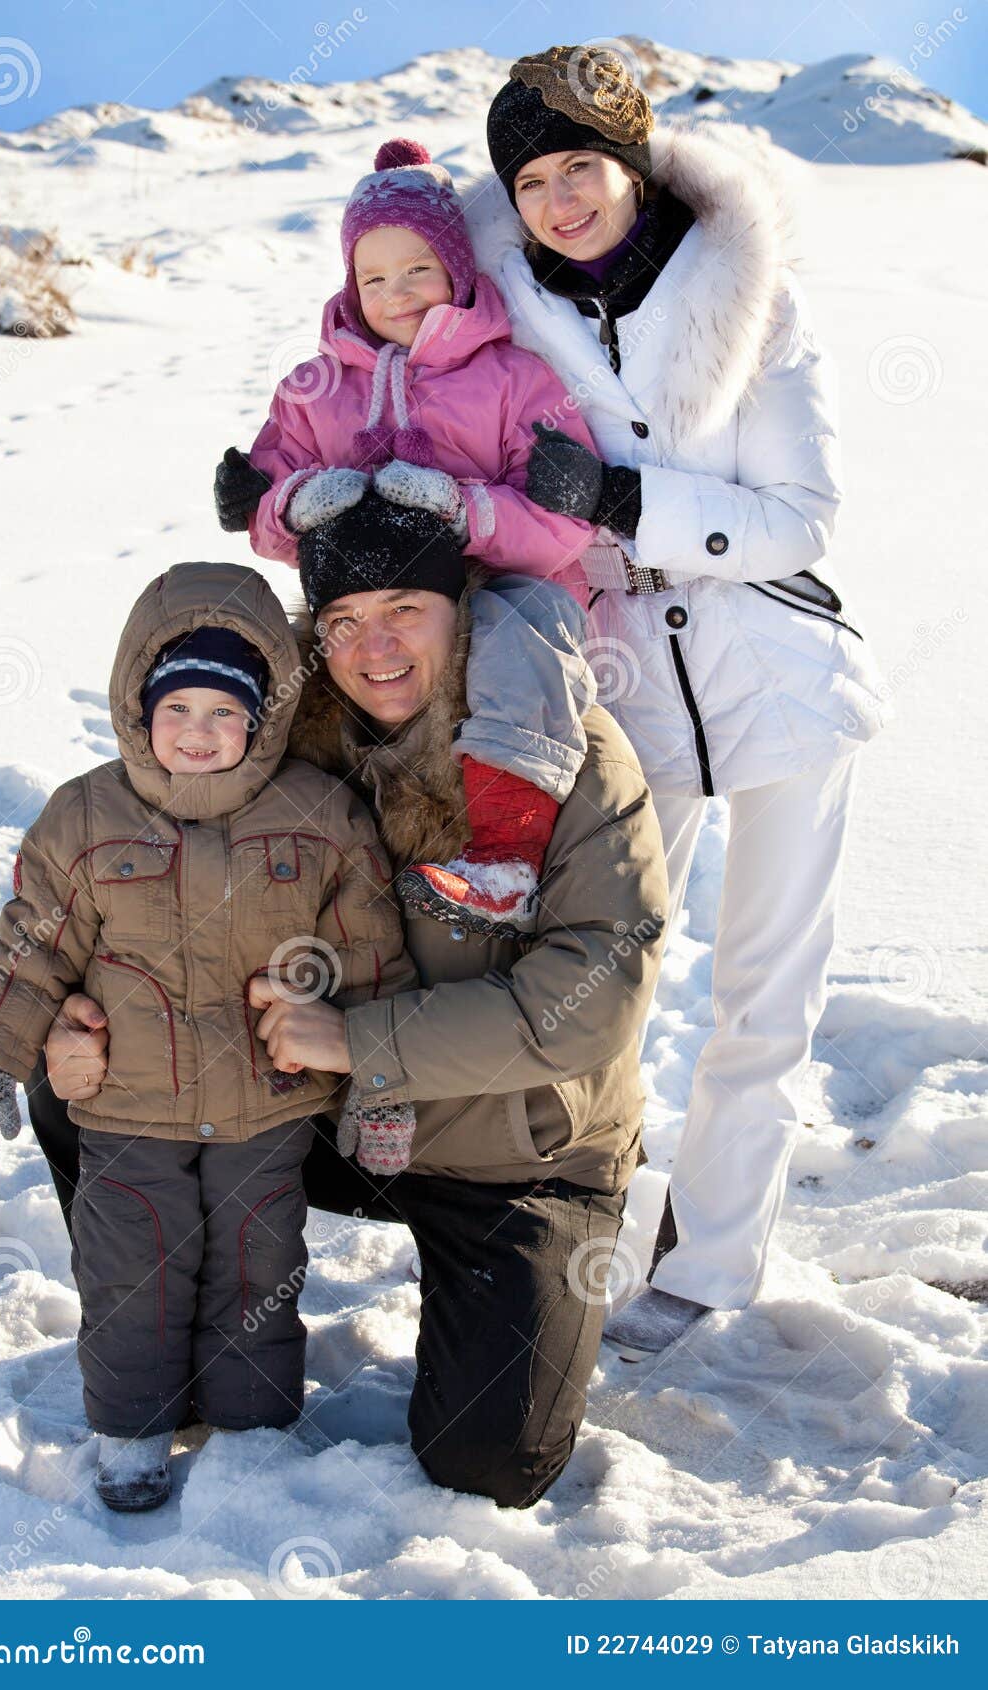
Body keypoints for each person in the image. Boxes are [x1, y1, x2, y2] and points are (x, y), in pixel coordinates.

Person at [35, 500, 670, 1509]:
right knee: (89, 1089)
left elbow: (592, 999)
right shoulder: (278, 743)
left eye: (404, 610)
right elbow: (137, 893)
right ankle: (169, 1341)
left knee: (487, 1464)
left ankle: (600, 1238)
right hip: (328, 1118)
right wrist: (77, 1019)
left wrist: (360, 1038)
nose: (374, 648)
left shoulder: (560, 752)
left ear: (460, 607)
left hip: (512, 1153)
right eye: (343, 621)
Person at [460, 44, 887, 1356]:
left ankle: (709, 1262)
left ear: (631, 165)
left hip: (781, 678)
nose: (558, 201)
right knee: (607, 976)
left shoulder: (751, 294)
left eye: (578, 167)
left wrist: (623, 501)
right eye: (529, 181)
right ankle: (603, 1216)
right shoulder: (504, 313)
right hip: (625, 685)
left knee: (762, 988)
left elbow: (798, 516)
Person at [0, 561, 415, 1513]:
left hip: (264, 1108)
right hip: (129, 1111)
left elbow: (371, 959)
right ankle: (131, 1433)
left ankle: (251, 1432)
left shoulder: (318, 814)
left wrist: (382, 1085)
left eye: (224, 712)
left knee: (258, 1267)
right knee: (132, 1272)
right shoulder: (86, 816)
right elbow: (31, 951)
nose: (198, 733)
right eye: (177, 709)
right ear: (137, 707)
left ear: (264, 717)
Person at [215, 137, 603, 936]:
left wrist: (464, 510)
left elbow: (565, 517)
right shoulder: (314, 387)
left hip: (502, 599)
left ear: (456, 269)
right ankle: (251, 845)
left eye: (417, 270)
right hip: (368, 609)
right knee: (286, 667)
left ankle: (504, 862)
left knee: (514, 639)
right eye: (373, 278)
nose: (396, 294)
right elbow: (262, 507)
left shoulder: (512, 377)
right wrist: (297, 504)